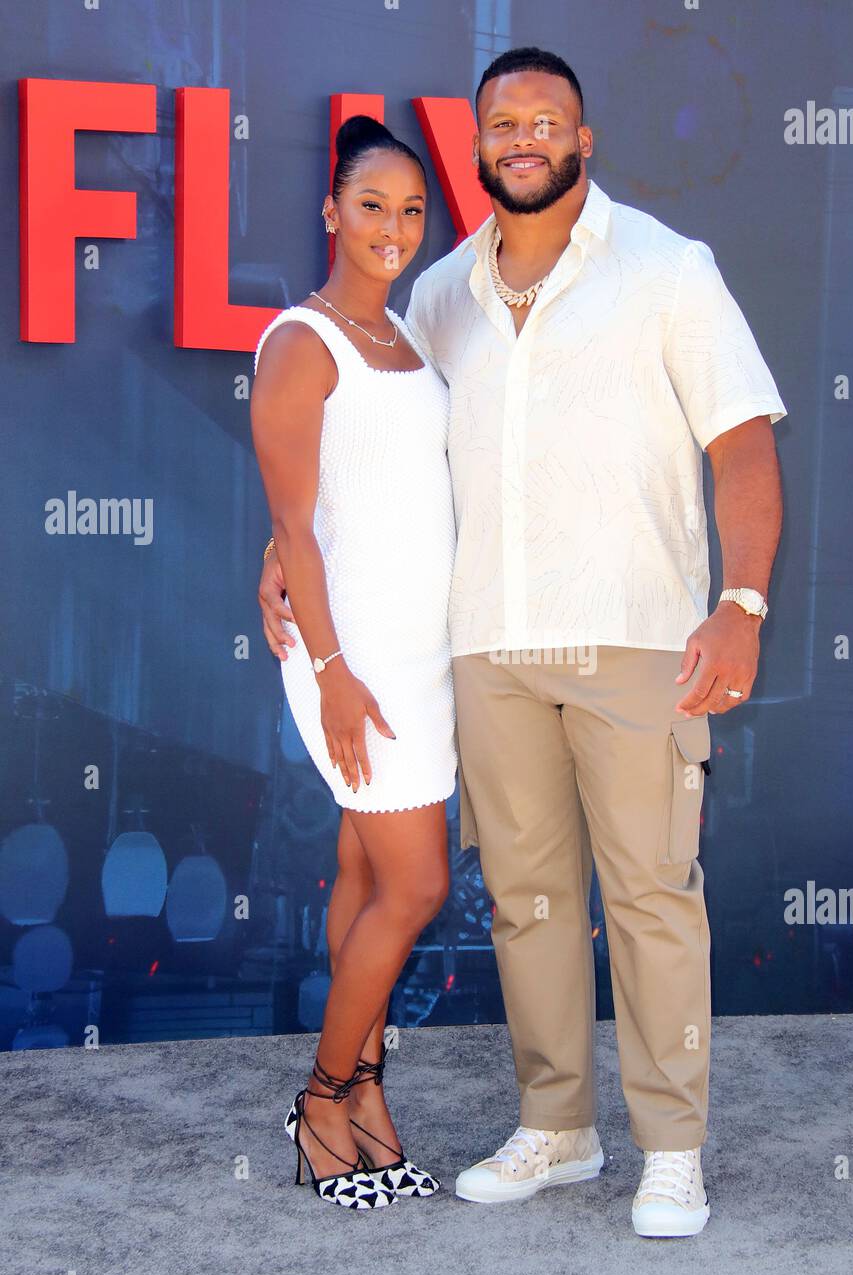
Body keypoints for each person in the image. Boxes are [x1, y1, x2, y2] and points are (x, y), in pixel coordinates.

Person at [259, 48, 787, 1237]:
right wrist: (281, 549)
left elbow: (745, 447)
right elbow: (360, 448)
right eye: (504, 122)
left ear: (584, 141)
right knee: (531, 901)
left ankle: (672, 1149)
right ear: (479, 144)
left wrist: (741, 605)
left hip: (642, 638)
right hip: (485, 649)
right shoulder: (438, 295)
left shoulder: (668, 270)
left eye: (548, 121)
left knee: (652, 895)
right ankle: (558, 1126)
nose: (525, 137)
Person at [250, 114, 455, 1209]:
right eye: (371, 204)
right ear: (331, 210)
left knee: (371, 876)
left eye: (412, 208)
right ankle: (324, 1098)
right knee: (416, 881)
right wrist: (330, 667)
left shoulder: (416, 338)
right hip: (355, 654)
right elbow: (294, 522)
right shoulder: (301, 341)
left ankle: (369, 1093)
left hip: (424, 648)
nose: (393, 226)